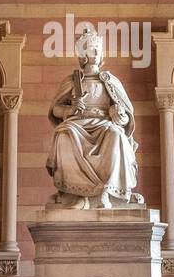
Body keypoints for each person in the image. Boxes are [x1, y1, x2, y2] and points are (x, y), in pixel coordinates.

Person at [45, 29, 140, 208]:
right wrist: (71, 109)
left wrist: (118, 114)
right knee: (64, 134)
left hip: (105, 123)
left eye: (98, 48)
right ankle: (77, 194)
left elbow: (126, 117)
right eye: (91, 48)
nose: (96, 52)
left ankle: (106, 192)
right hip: (77, 122)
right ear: (83, 54)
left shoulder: (110, 81)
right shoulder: (73, 81)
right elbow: (56, 109)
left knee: (116, 135)